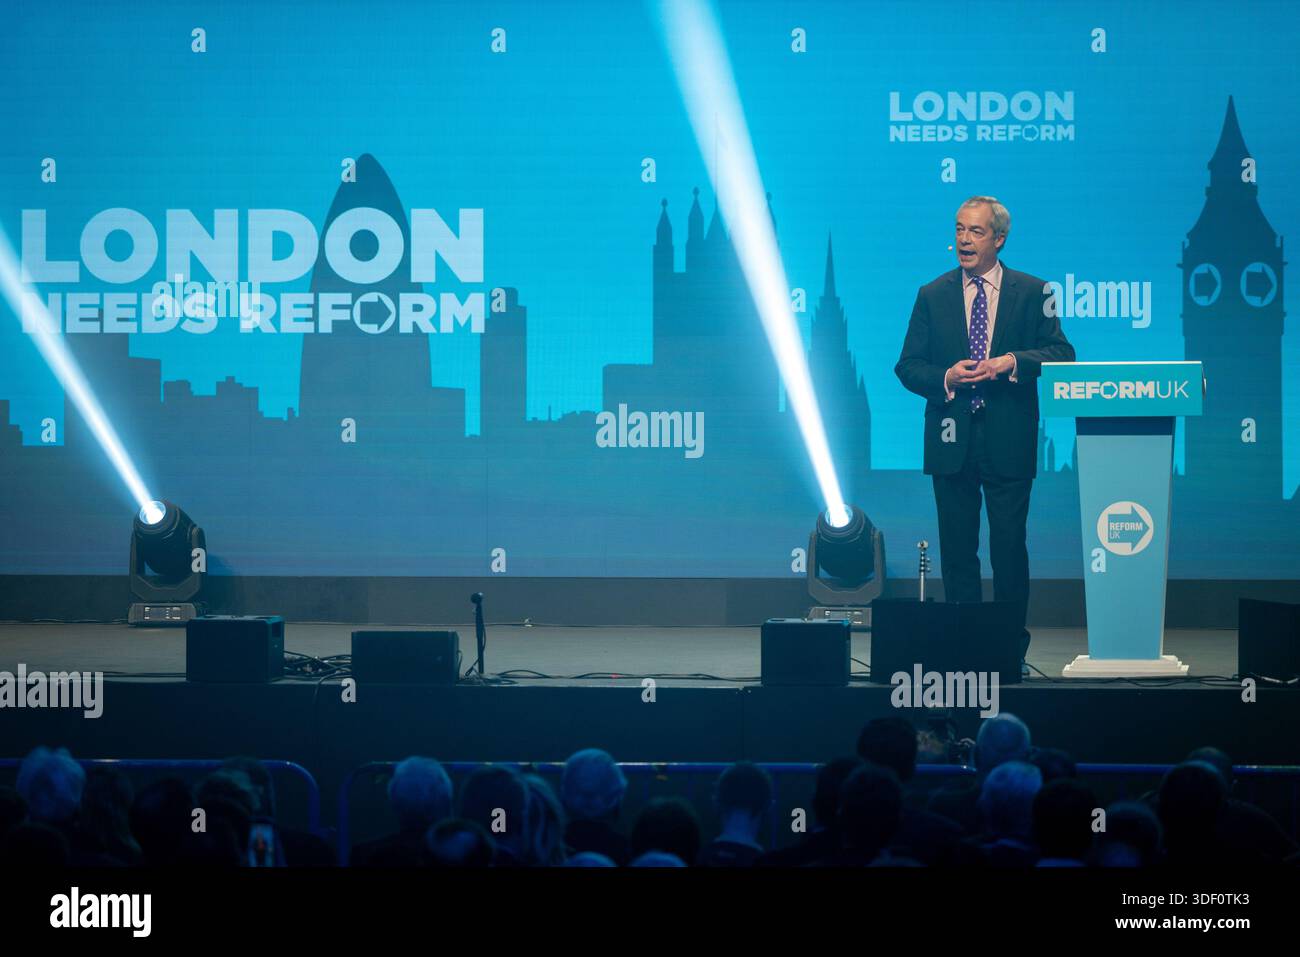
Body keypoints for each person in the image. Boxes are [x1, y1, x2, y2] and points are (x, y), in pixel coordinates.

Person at [895, 196, 1075, 673]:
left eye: (975, 232)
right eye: (958, 230)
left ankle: (1008, 652)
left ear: (999, 238)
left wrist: (1011, 362)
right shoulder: (931, 294)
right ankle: (965, 649)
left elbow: (1062, 353)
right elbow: (908, 366)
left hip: (1008, 440)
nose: (963, 240)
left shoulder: (1036, 291)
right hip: (951, 439)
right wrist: (948, 377)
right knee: (957, 552)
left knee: (1008, 551)